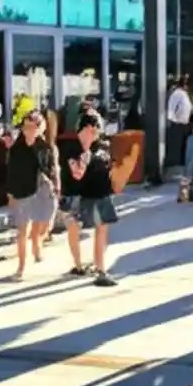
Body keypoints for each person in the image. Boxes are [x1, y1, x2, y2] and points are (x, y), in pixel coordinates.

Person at [61, 109, 120, 286]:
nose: (94, 132)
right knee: (74, 228)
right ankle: (78, 265)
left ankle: (100, 268)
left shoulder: (103, 145)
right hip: (76, 194)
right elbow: (77, 174)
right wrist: (85, 154)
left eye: (96, 128)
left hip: (101, 192)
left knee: (102, 228)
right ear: (83, 128)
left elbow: (111, 166)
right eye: (91, 128)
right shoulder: (71, 148)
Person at [5, 110, 59, 281]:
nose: (29, 130)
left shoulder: (46, 147)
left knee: (42, 225)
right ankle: (21, 267)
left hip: (42, 189)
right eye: (26, 127)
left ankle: (37, 242)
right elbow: (11, 172)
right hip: (22, 190)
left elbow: (51, 170)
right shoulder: (16, 149)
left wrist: (56, 187)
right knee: (22, 231)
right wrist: (10, 194)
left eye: (33, 126)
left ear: (40, 128)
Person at [164, 75, 193, 197]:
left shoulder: (183, 94)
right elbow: (171, 109)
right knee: (178, 148)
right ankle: (176, 171)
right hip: (178, 124)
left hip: (183, 123)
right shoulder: (177, 94)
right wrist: (174, 120)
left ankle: (183, 171)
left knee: (184, 148)